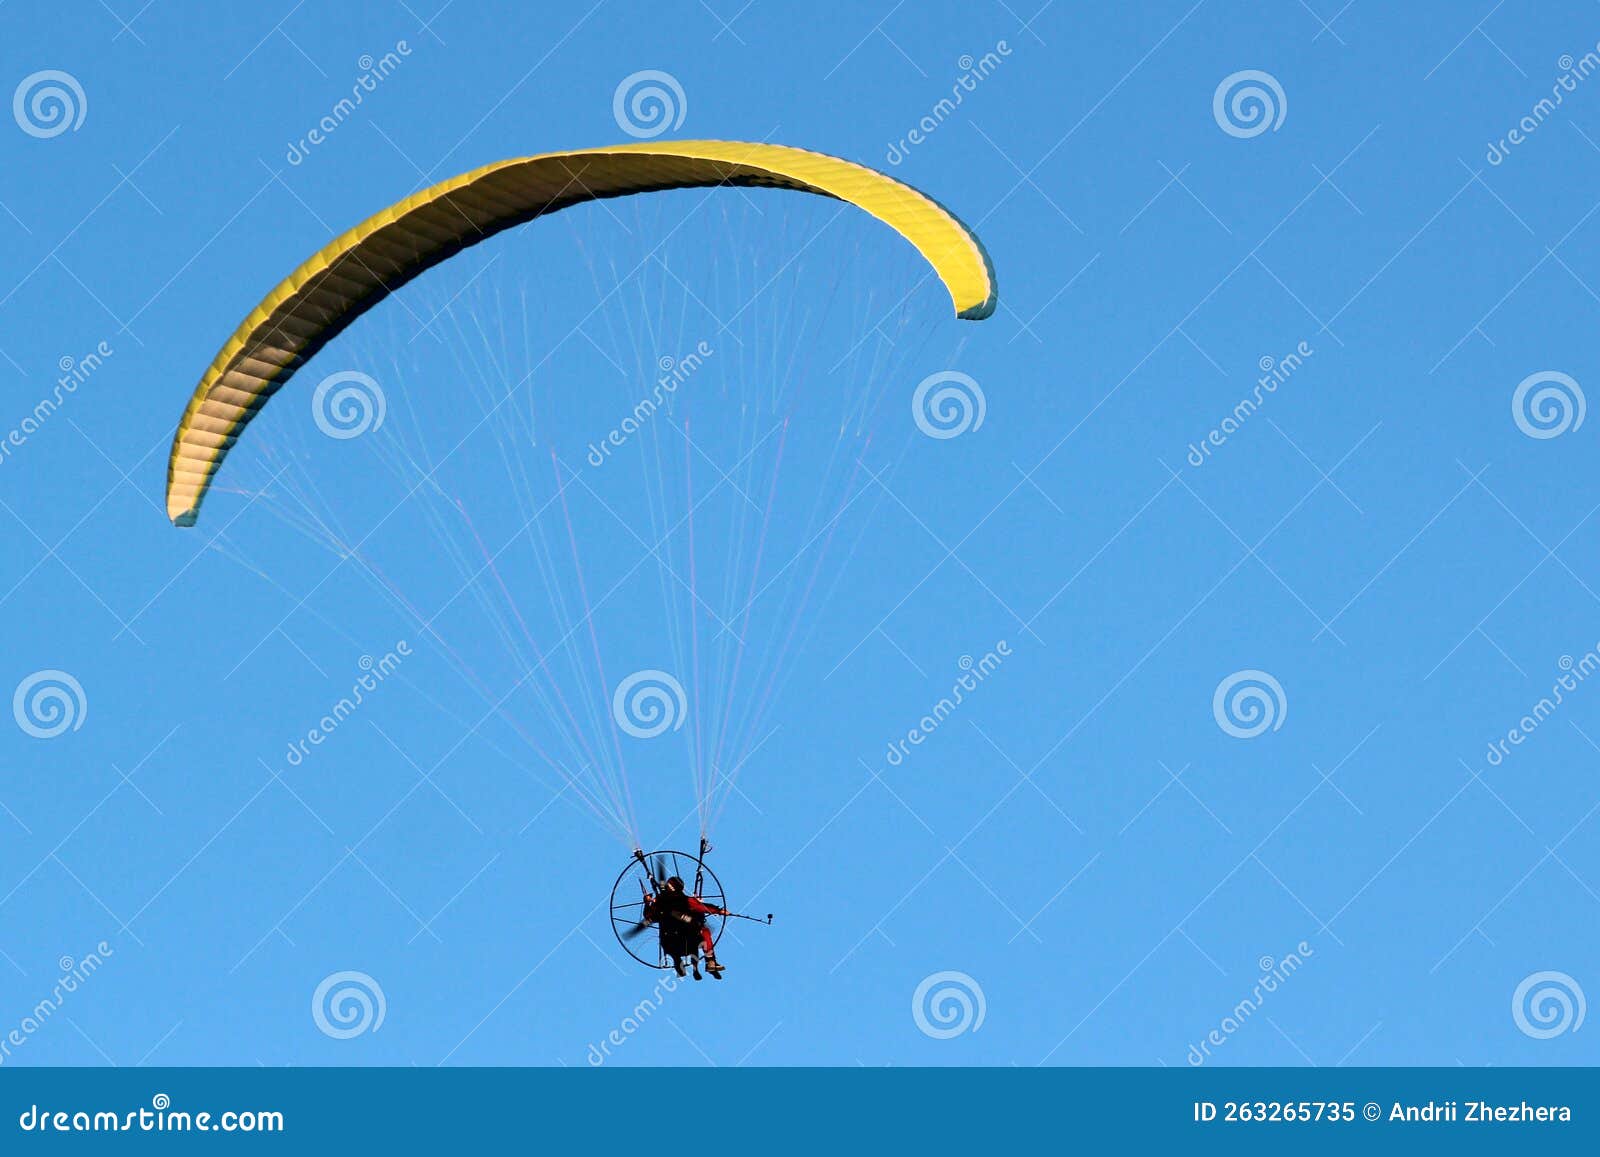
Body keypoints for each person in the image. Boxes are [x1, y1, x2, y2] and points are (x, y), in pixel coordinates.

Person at [645, 875, 728, 979]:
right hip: (688, 941)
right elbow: (702, 907)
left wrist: (647, 903)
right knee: (704, 932)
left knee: (685, 935)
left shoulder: (659, 904)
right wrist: (719, 911)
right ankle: (710, 961)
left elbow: (649, 917)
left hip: (670, 944)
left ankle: (678, 961)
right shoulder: (686, 901)